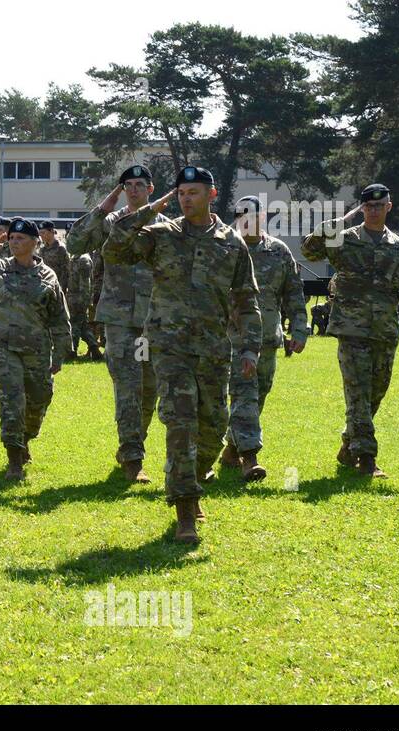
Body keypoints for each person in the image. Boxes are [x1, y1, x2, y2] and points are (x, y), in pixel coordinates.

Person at [104, 166, 261, 543]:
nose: (186, 199)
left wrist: (251, 347)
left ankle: (194, 474)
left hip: (213, 348)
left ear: (212, 195)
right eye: (181, 193)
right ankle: (185, 509)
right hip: (168, 348)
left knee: (213, 427)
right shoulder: (161, 235)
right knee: (180, 424)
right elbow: (115, 248)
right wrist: (149, 209)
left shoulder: (231, 242)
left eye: (194, 192)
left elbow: (246, 300)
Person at [301, 183, 399, 477]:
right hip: (351, 329)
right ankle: (366, 458)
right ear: (362, 208)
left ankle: (349, 446)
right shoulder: (345, 239)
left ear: (389, 207)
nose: (374, 211)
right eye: (369, 206)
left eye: (379, 206)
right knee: (358, 393)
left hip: (384, 331)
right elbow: (309, 250)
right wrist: (335, 224)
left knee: (375, 394)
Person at [67, 165, 169, 483]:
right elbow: (74, 244)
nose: (134, 190)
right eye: (128, 185)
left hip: (153, 321)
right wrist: (102, 208)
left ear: (151, 189)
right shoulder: (110, 222)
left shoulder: (167, 226)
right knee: (128, 387)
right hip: (120, 320)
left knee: (149, 388)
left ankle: (133, 444)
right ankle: (132, 457)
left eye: (140, 184)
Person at [0, 218, 71, 479]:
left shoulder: (47, 275)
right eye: (11, 238)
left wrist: (60, 353)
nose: (14, 242)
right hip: (1, 348)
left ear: (35, 242)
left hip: (36, 350)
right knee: (12, 402)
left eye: (21, 238)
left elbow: (59, 317)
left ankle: (25, 439)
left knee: (38, 400)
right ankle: (14, 458)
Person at [219, 196, 308, 481]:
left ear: (262, 216)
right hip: (234, 340)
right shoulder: (225, 249)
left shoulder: (279, 251)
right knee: (244, 395)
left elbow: (293, 293)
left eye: (251, 215)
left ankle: (232, 449)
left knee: (258, 397)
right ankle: (250, 458)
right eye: (240, 215)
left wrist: (299, 328)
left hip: (268, 339)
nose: (246, 220)